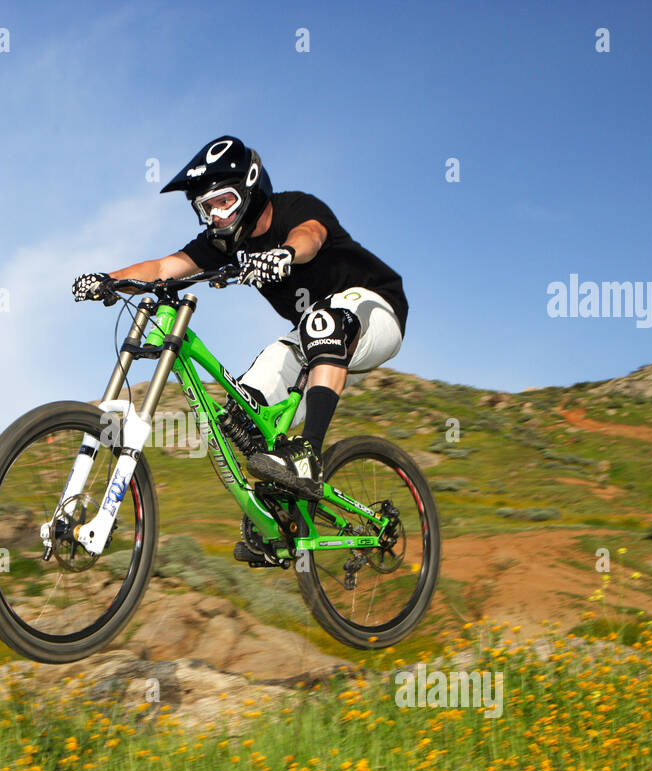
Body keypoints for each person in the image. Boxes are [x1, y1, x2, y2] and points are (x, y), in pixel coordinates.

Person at [72, 135, 408, 505]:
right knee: (242, 413)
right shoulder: (224, 243)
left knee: (321, 323)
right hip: (308, 341)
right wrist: (108, 279)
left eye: (224, 202)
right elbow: (164, 267)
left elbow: (310, 236)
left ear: (250, 187)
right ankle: (282, 509)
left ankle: (308, 454)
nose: (216, 215)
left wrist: (285, 252)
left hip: (374, 310)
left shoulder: (295, 207)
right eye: (207, 207)